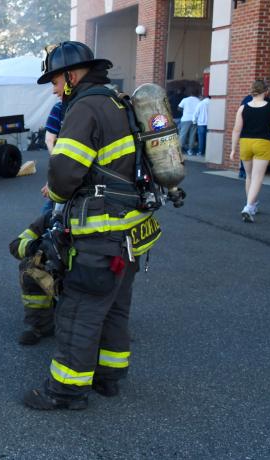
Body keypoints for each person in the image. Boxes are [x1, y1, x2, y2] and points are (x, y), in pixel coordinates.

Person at [23, 41, 162, 410]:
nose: (53, 89)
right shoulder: (118, 100)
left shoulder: (84, 107)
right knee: (114, 308)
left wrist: (52, 191)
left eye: (54, 80)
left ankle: (66, 391)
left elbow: (65, 174)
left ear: (71, 75)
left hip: (100, 236)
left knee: (78, 313)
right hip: (130, 233)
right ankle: (109, 377)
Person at [229, 80, 270, 223]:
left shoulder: (243, 108)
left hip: (246, 143)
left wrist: (233, 149)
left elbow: (236, 130)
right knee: (258, 178)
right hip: (263, 143)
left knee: (249, 177)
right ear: (266, 91)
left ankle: (252, 204)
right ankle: (248, 207)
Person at [9, 213, 55, 346]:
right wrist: (36, 246)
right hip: (59, 265)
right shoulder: (53, 215)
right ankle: (39, 324)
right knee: (30, 269)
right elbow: (15, 245)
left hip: (87, 272)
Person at [40, 100, 64, 214]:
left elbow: (50, 140)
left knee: (49, 215)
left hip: (69, 172)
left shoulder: (60, 107)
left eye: (55, 83)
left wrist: (54, 179)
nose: (53, 91)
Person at [178, 87, 201, 155]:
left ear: (190, 93)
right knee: (192, 135)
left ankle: (180, 149)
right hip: (194, 120)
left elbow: (179, 108)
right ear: (197, 94)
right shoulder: (199, 101)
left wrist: (185, 111)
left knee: (183, 135)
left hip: (185, 119)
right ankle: (190, 150)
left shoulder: (185, 99)